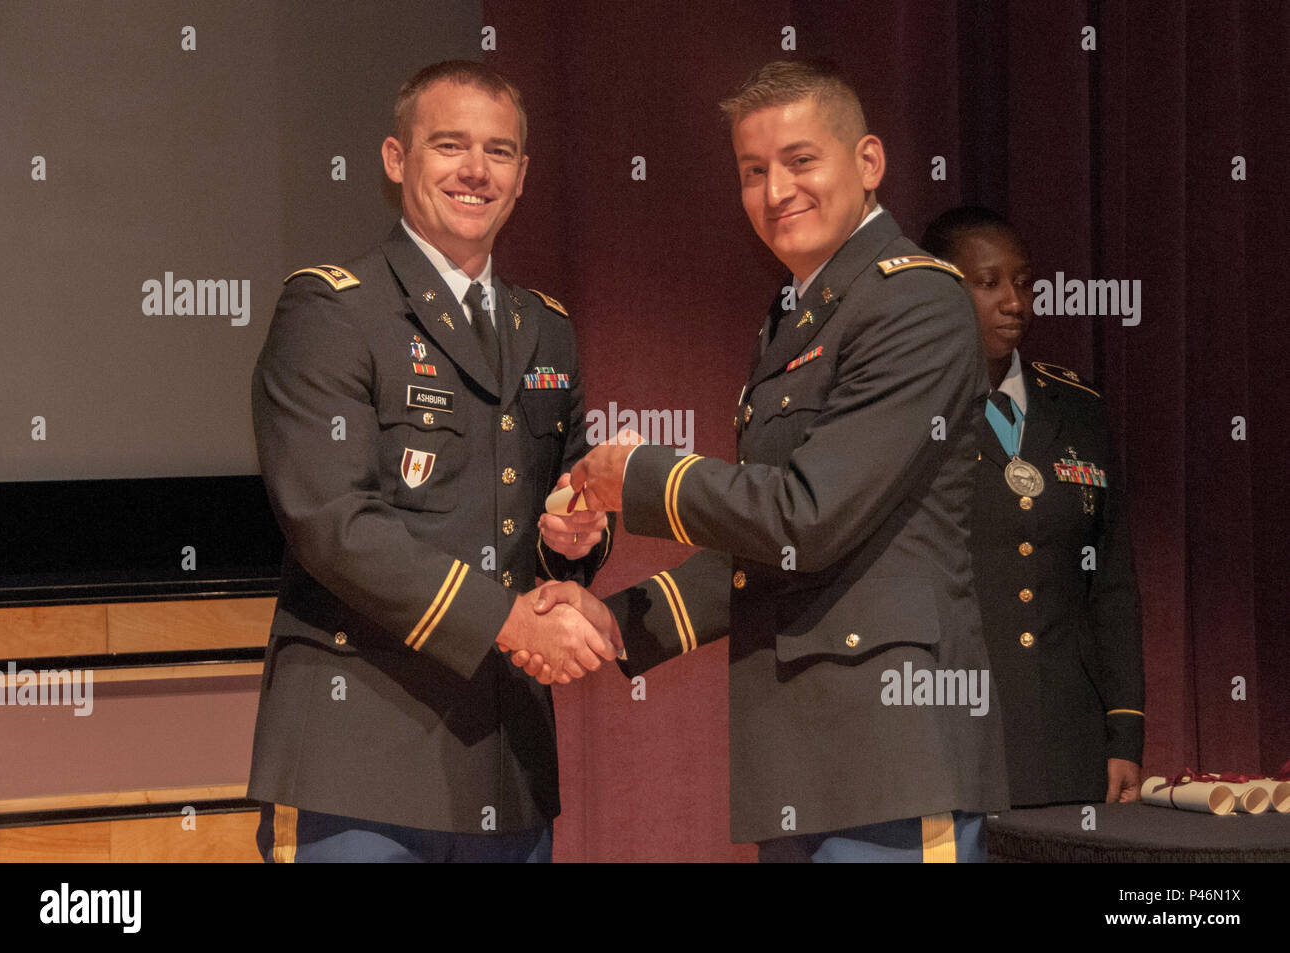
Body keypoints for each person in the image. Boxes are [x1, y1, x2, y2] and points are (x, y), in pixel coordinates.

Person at [522, 61, 1009, 862]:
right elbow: (771, 553)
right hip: (798, 759)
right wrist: (619, 619)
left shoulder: (916, 301)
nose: (776, 189)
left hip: (892, 755)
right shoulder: (796, 316)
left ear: (869, 162)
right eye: (753, 171)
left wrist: (634, 476)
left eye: (800, 160)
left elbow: (807, 514)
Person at [247, 60, 618, 863]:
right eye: (449, 145)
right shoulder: (334, 309)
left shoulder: (546, 326)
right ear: (395, 158)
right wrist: (515, 620)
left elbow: (551, 508)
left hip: (505, 761)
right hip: (362, 762)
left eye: (500, 151)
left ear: (522, 176)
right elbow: (335, 526)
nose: (476, 171)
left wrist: (576, 539)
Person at [921, 205, 1145, 806]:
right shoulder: (912, 411)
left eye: (1023, 282)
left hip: (1070, 733)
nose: (1014, 301)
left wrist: (1124, 730)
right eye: (987, 283)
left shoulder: (1079, 407)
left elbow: (1113, 583)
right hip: (957, 727)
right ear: (942, 288)